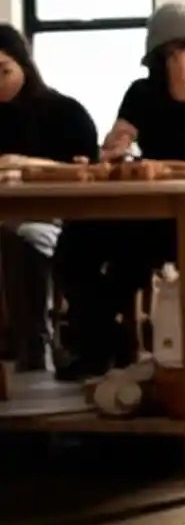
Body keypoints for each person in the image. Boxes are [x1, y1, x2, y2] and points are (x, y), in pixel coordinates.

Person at [53, 3, 185, 379]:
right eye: (176, 51)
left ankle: (104, 345)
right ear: (161, 56)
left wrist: (158, 167)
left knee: (128, 260)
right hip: (142, 208)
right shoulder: (141, 93)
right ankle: (104, 341)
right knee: (75, 242)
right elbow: (117, 138)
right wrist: (117, 147)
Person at [0, 24, 98, 371]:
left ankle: (34, 343)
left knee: (18, 234)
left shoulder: (64, 113)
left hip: (58, 219)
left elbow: (90, 173)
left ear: (24, 66)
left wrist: (25, 166)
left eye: (3, 71)